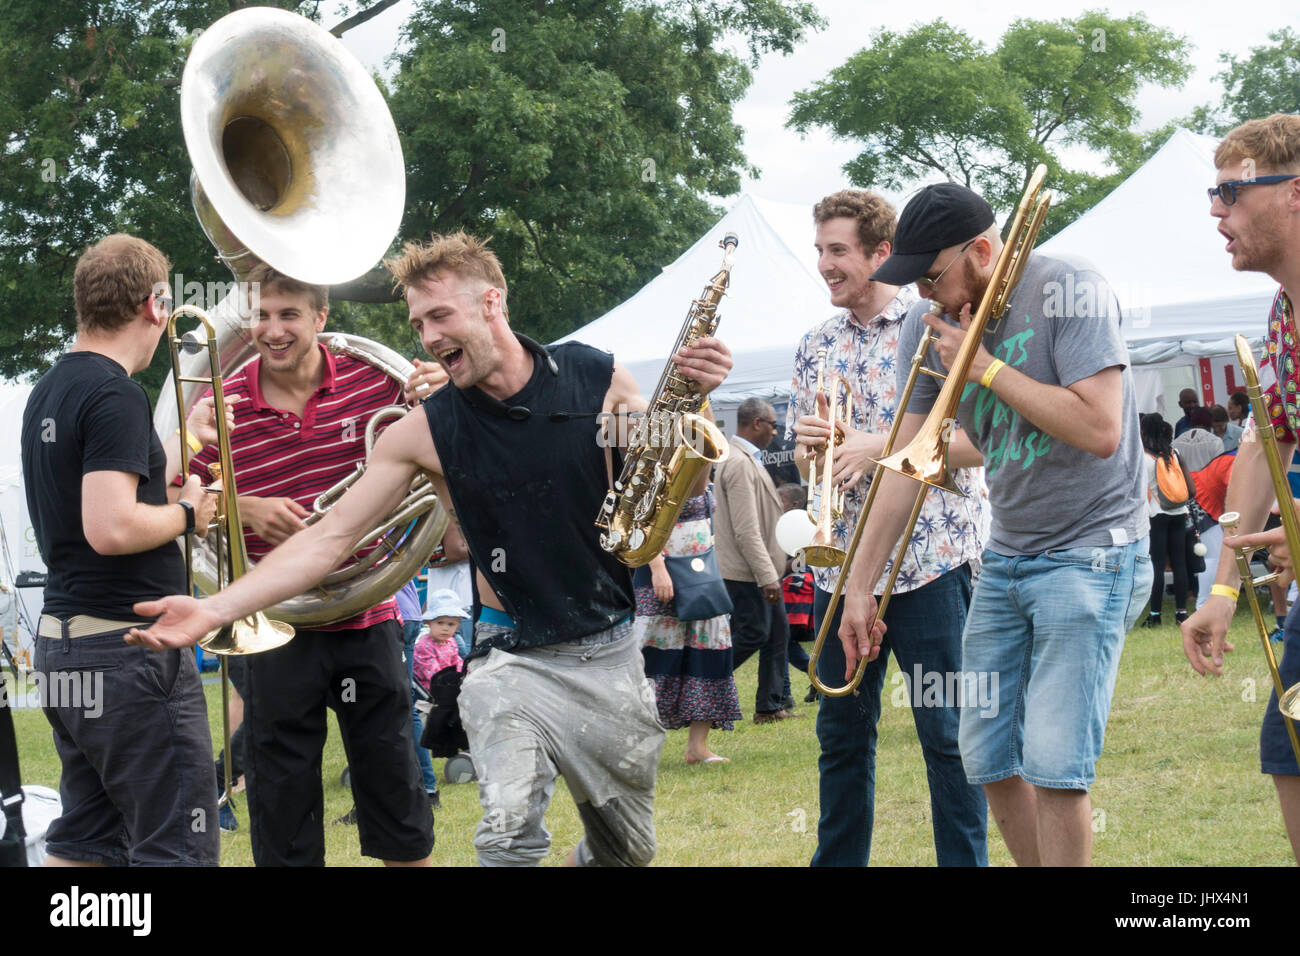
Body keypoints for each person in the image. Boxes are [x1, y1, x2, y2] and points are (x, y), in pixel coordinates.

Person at [127, 230, 733, 867]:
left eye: (441, 315)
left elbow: (669, 461)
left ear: (492, 302)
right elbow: (328, 539)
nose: (429, 337)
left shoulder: (593, 373)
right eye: (419, 322)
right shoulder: (426, 429)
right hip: (509, 658)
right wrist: (217, 608)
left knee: (626, 854)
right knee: (507, 837)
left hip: (609, 651)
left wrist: (698, 396)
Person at [836, 182, 1150, 867]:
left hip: (1094, 549)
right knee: (986, 753)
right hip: (1007, 554)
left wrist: (988, 369)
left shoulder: (1071, 287)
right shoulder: (932, 329)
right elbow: (906, 462)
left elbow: (1098, 428)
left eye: (931, 275)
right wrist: (860, 587)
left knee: (1055, 762)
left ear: (982, 251)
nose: (923, 295)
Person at [183, 261, 433, 867]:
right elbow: (180, 504)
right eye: (262, 316)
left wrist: (441, 400)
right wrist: (247, 508)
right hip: (274, 629)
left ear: (321, 316)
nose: (273, 330)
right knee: (282, 811)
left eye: (289, 315)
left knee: (397, 798)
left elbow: (440, 461)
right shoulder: (222, 401)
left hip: (367, 618)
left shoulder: (378, 382)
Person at [789, 188, 990, 867]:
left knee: (949, 734)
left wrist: (872, 441)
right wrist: (812, 447)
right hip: (839, 563)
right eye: (819, 250)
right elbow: (802, 456)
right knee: (840, 734)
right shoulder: (813, 344)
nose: (824, 264)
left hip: (929, 562)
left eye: (837, 250)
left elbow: (976, 436)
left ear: (882, 253)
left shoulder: (937, 323)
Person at [20, 233, 221, 866]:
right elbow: (109, 529)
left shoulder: (52, 389)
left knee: (86, 838)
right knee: (176, 848)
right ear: (156, 305)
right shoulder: (115, 393)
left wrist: (177, 464)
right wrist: (191, 514)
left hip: (67, 645)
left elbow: (97, 509)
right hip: (127, 652)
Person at [1184, 115, 1300, 861]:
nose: (1217, 212)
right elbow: (1271, 435)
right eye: (1213, 192)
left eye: (1231, 192)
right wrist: (1224, 592)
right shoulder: (1285, 313)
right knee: (1290, 746)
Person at [633, 484, 743, 764]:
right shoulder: (658, 463)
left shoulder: (702, 469)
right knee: (652, 659)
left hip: (701, 576)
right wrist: (657, 568)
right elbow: (641, 518)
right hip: (663, 575)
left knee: (710, 653)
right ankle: (636, 746)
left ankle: (697, 747)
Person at [714, 398, 796, 722]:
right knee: (754, 633)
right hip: (745, 571)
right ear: (757, 423)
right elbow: (746, 530)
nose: (777, 432)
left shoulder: (747, 459)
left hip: (756, 568)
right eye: (774, 424)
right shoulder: (738, 463)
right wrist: (767, 576)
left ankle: (769, 706)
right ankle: (704, 682)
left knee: (778, 633)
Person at [1140, 413, 1192, 628]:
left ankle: (1155, 615)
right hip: (1179, 512)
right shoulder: (1175, 453)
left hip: (1156, 515)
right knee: (1180, 563)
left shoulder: (1143, 458)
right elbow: (1193, 489)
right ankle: (1181, 613)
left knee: (1157, 565)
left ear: (1143, 432)